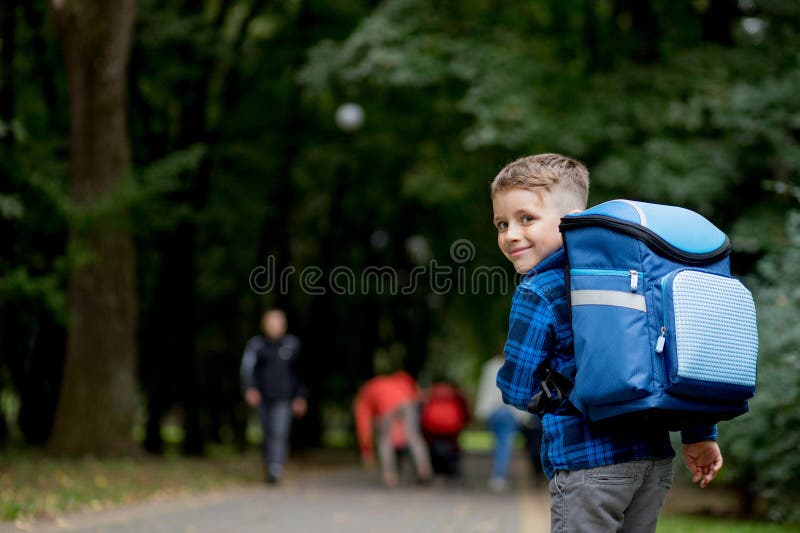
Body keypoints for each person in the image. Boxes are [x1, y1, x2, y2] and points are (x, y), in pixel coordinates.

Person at [491, 154, 723, 532]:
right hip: (652, 463)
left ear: (572, 219)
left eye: (526, 219)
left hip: (586, 464)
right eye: (501, 223)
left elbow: (518, 389)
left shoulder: (539, 289)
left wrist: (560, 390)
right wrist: (700, 435)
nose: (510, 234)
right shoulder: (632, 277)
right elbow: (680, 357)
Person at [240, 309, 307, 484]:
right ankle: (269, 465)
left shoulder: (292, 345)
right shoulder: (256, 345)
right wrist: (250, 389)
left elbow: (300, 373)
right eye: (270, 323)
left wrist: (300, 396)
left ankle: (275, 468)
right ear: (264, 325)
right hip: (262, 397)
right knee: (266, 433)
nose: (274, 327)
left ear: (283, 325)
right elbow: (247, 369)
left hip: (284, 398)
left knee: (279, 432)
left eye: (277, 323)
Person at [354, 371, 433, 487]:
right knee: (414, 436)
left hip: (386, 407)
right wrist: (417, 397)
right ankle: (424, 469)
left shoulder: (365, 394)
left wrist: (367, 451)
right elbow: (408, 382)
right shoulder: (393, 380)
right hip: (407, 402)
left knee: (385, 440)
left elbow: (363, 425)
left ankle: (390, 476)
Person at [475, 354, 540, 492]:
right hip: (510, 411)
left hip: (493, 411)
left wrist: (481, 411)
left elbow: (484, 390)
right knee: (504, 443)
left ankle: (498, 472)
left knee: (499, 442)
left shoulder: (490, 366)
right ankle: (498, 476)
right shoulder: (520, 366)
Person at [420, 379, 470, 477]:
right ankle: (453, 469)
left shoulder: (430, 392)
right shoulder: (457, 394)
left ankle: (432, 469)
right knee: (454, 446)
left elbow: (423, 409)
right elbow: (465, 411)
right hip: (452, 427)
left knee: (429, 445)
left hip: (432, 426)